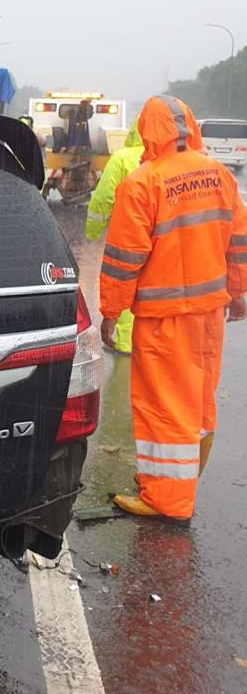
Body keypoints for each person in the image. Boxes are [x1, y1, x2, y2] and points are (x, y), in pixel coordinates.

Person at [98, 95, 247, 521]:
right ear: (191, 128)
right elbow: (239, 241)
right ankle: (182, 480)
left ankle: (168, 499)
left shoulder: (144, 183)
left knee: (166, 408)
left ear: (149, 131)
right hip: (209, 315)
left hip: (166, 319)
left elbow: (125, 258)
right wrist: (237, 292)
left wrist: (111, 311)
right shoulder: (219, 174)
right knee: (199, 400)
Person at [85, 119, 145, 354]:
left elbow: (103, 197)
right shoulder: (173, 160)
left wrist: (93, 232)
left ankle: (126, 342)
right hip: (168, 239)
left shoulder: (123, 158)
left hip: (130, 236)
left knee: (128, 287)